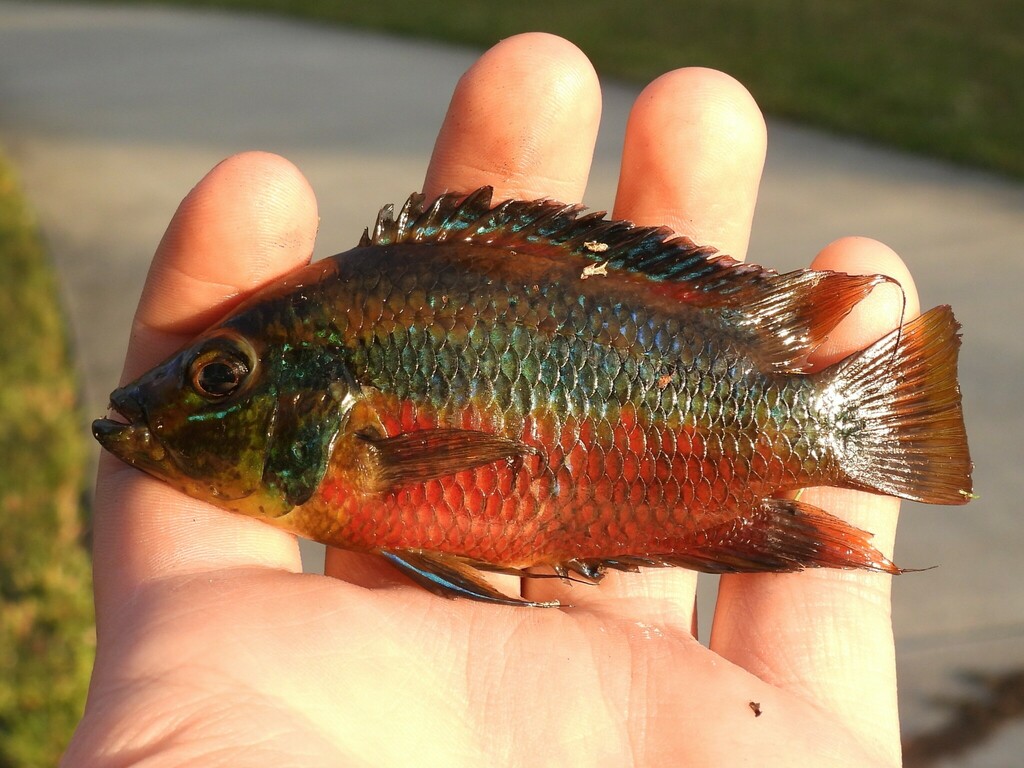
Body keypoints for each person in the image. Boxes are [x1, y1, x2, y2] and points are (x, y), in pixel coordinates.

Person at [63, 33, 914, 766]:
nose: (170, 402)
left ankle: (846, 428)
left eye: (222, 376)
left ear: (321, 398)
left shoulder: (348, 402)